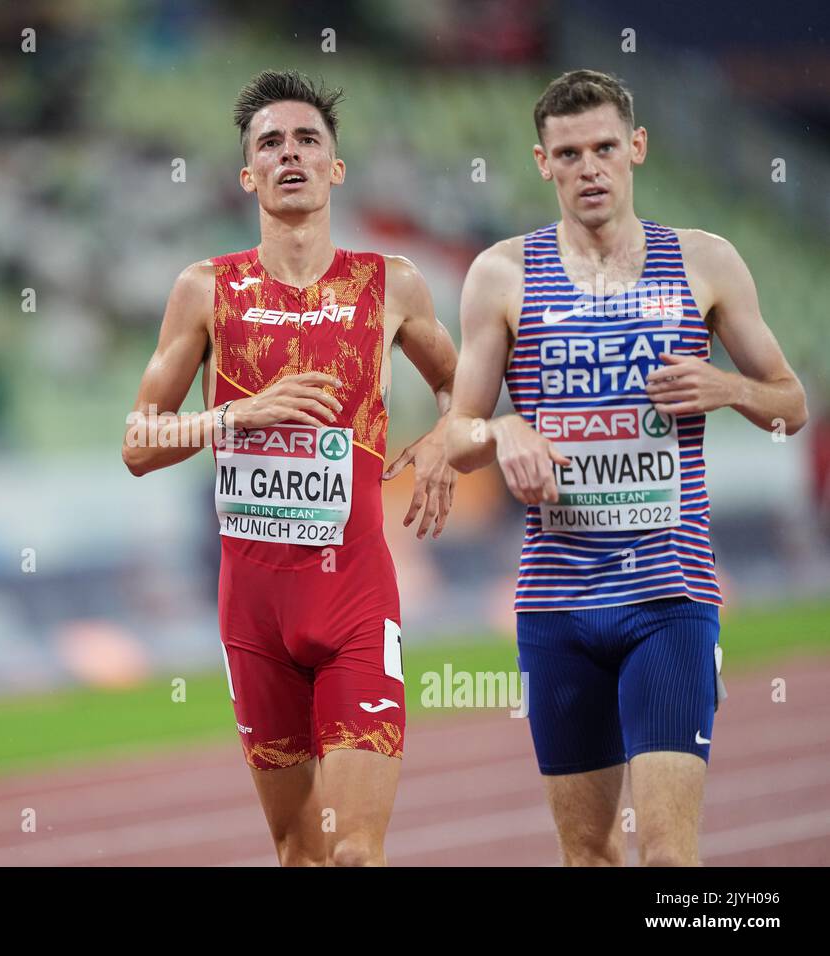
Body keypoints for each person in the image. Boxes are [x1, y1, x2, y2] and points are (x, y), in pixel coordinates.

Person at [446, 69, 808, 866]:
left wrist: (727, 385)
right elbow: (454, 433)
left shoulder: (706, 263)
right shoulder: (501, 275)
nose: (589, 168)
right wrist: (501, 427)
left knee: (669, 856)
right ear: (542, 163)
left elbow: (791, 404)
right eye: (568, 153)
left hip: (669, 600)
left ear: (636, 148)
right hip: (555, 606)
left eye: (605, 147)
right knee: (589, 854)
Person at [122, 70, 458, 866]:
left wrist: (449, 434)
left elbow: (462, 384)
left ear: (336, 168)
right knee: (299, 853)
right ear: (249, 176)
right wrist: (236, 414)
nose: (290, 154)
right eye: (270, 143)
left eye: (308, 140)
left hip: (353, 600)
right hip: (254, 611)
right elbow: (138, 442)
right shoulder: (205, 290)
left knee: (354, 855)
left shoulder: (392, 286)